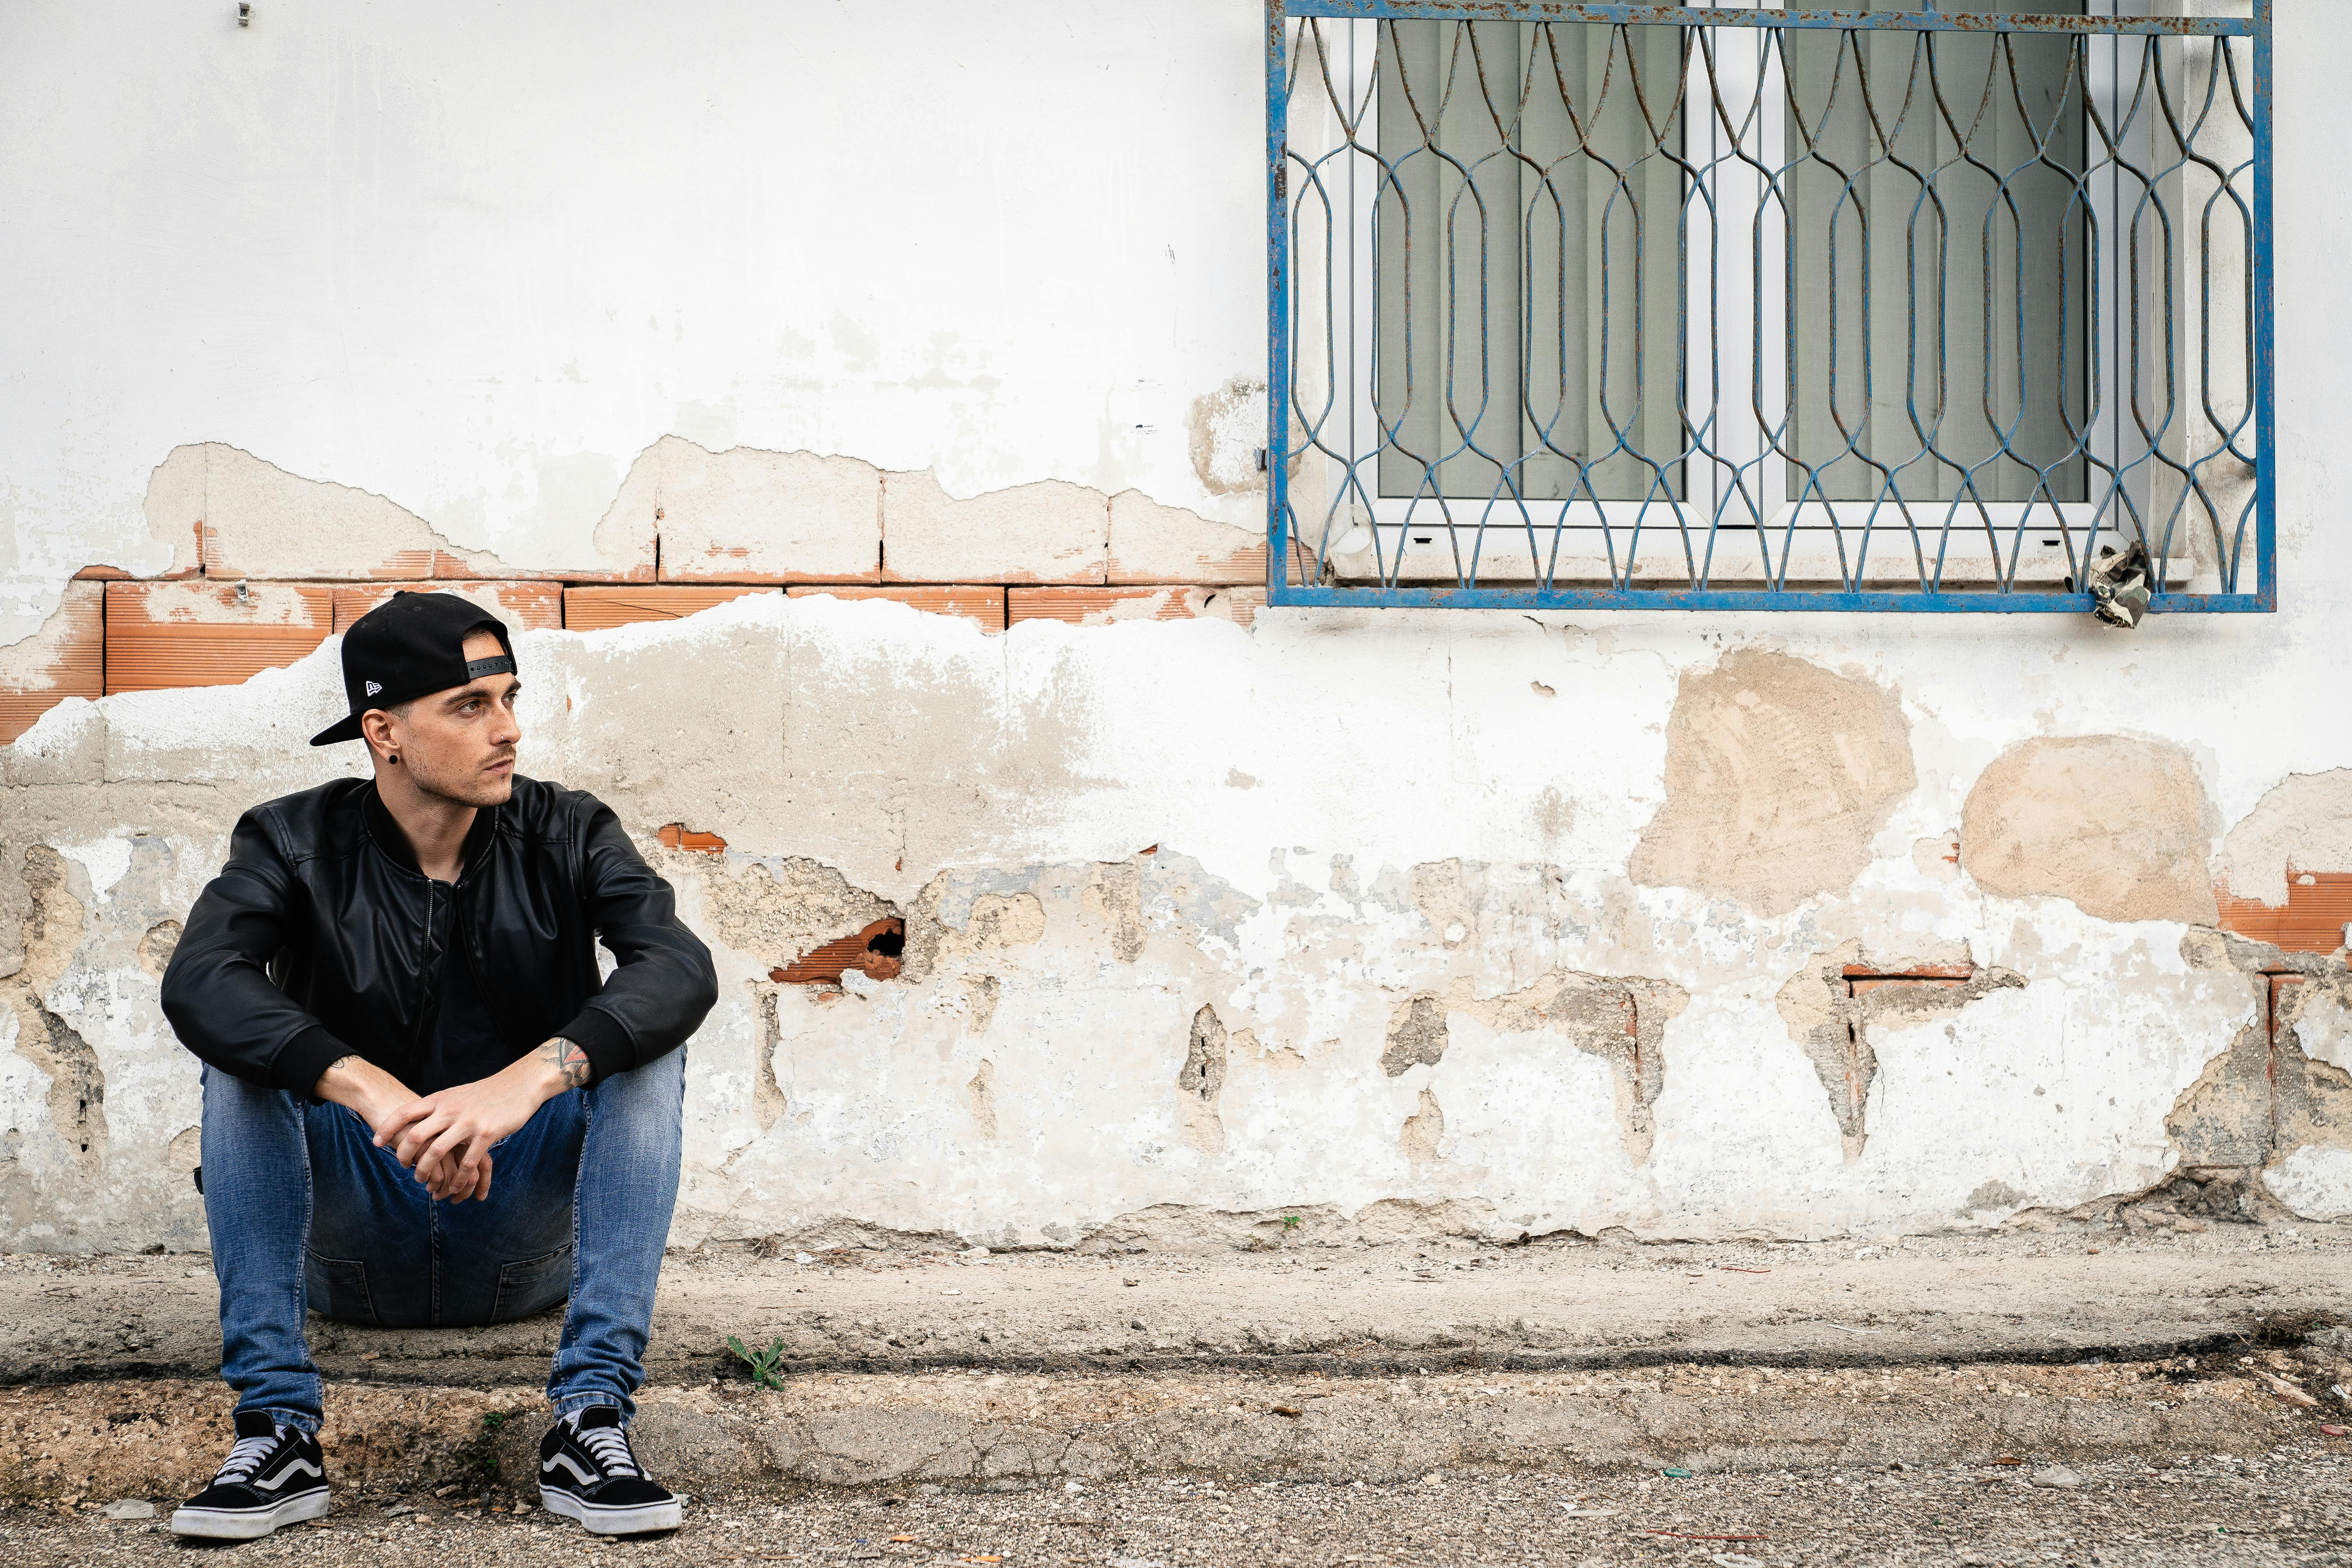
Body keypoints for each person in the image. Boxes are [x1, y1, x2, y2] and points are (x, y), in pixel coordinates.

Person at [158, 590, 719, 1541]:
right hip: (345, 1243)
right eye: (471, 706)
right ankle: (278, 1427)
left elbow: (677, 966)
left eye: (509, 698)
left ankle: (591, 1418)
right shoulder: (290, 840)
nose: (508, 730)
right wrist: (367, 1087)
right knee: (243, 1055)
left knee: (638, 1049)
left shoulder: (572, 829)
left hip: (521, 1236)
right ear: (384, 730)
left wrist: (526, 1081)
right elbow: (202, 978)